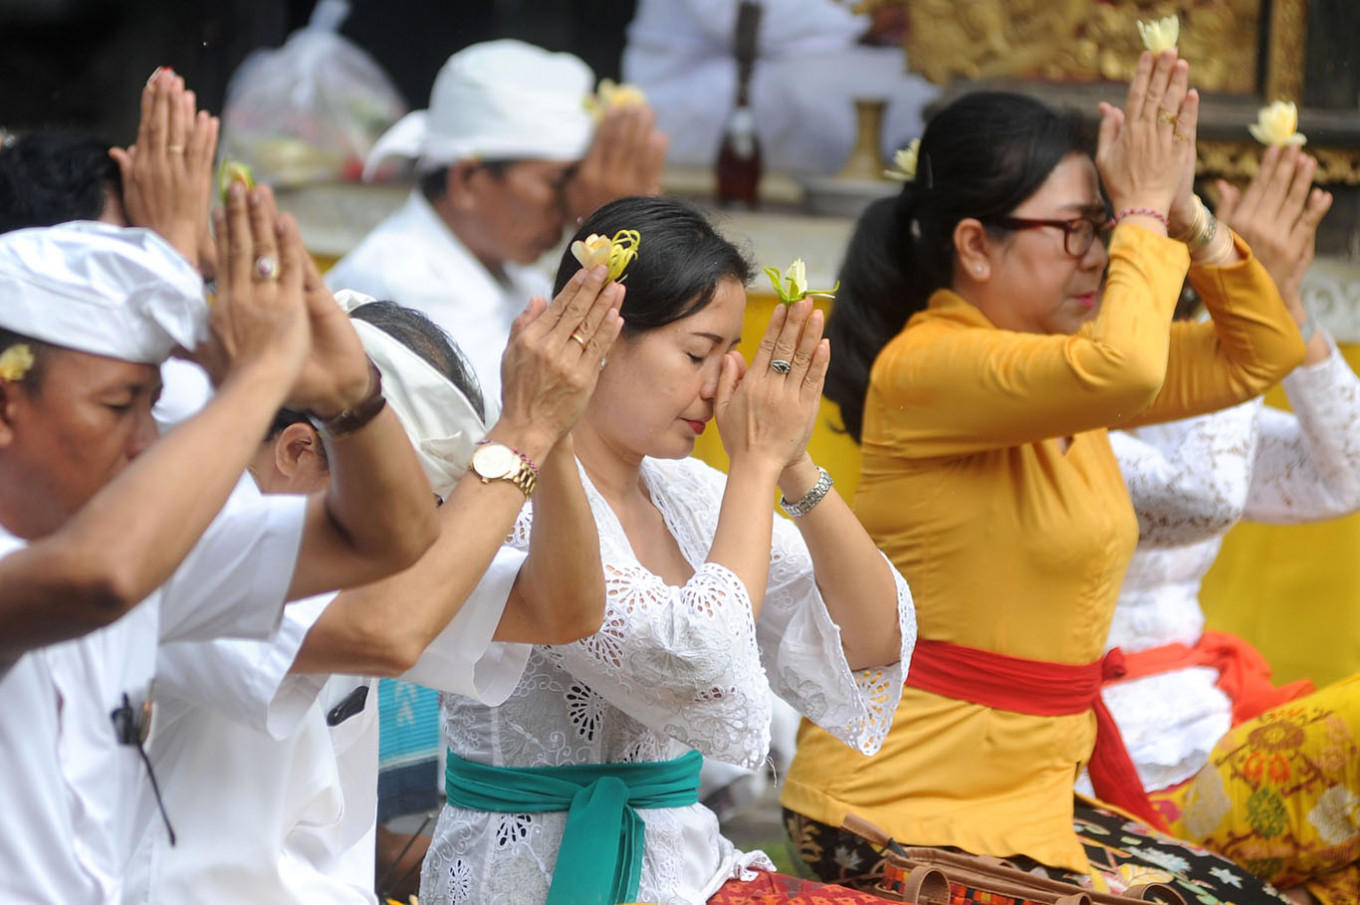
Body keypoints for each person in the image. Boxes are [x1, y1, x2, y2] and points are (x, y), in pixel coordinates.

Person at [781, 51, 1313, 902]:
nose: (1098, 253)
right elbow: (1127, 367)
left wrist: (1185, 214)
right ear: (974, 246)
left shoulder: (1064, 373)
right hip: (891, 810)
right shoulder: (927, 365)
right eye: (1075, 229)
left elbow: (1262, 352)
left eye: (1103, 227)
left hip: (1029, 808)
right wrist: (1142, 209)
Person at [416, 195, 915, 905]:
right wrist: (755, 465)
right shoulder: (515, 500)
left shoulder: (687, 492)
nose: (719, 386)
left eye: (729, 356)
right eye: (696, 354)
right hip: (527, 878)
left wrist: (794, 463)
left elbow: (873, 637)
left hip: (692, 869)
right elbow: (697, 656)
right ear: (599, 335)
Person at [0, 172, 437, 902]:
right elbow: (100, 578)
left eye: (153, 407)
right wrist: (261, 378)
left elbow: (392, 537)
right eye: (118, 405)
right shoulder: (114, 562)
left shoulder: (143, 553)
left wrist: (352, 400)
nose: (145, 442)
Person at [127, 264, 625, 903]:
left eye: (432, 511)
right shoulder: (198, 527)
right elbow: (388, 630)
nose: (418, 536)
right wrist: (523, 431)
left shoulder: (363, 543)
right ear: (298, 452)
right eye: (398, 501)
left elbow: (563, 609)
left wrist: (551, 432)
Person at [1098, 146, 1360, 904]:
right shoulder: (1040, 403)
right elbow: (1204, 495)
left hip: (1209, 728)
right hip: (1112, 768)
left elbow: (1345, 472)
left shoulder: (1185, 398)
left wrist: (1284, 308)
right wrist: (1249, 305)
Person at [326, 38, 666, 401]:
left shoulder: (516, 274)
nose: (571, 204)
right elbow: (521, 416)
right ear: (468, 181)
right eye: (559, 181)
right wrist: (615, 226)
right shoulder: (400, 281)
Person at [622, 0, 937, 174]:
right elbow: (746, 15)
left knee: (920, 83)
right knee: (895, 85)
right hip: (685, 96)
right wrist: (867, 16)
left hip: (776, 62)